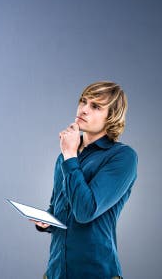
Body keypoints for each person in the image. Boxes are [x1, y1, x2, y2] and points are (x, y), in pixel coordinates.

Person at [35, 81, 137, 279]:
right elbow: (58, 208)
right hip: (56, 272)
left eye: (95, 106)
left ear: (111, 117)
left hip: (96, 273)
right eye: (83, 101)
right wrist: (45, 220)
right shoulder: (65, 156)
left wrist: (70, 155)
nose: (83, 109)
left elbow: (85, 211)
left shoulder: (122, 157)